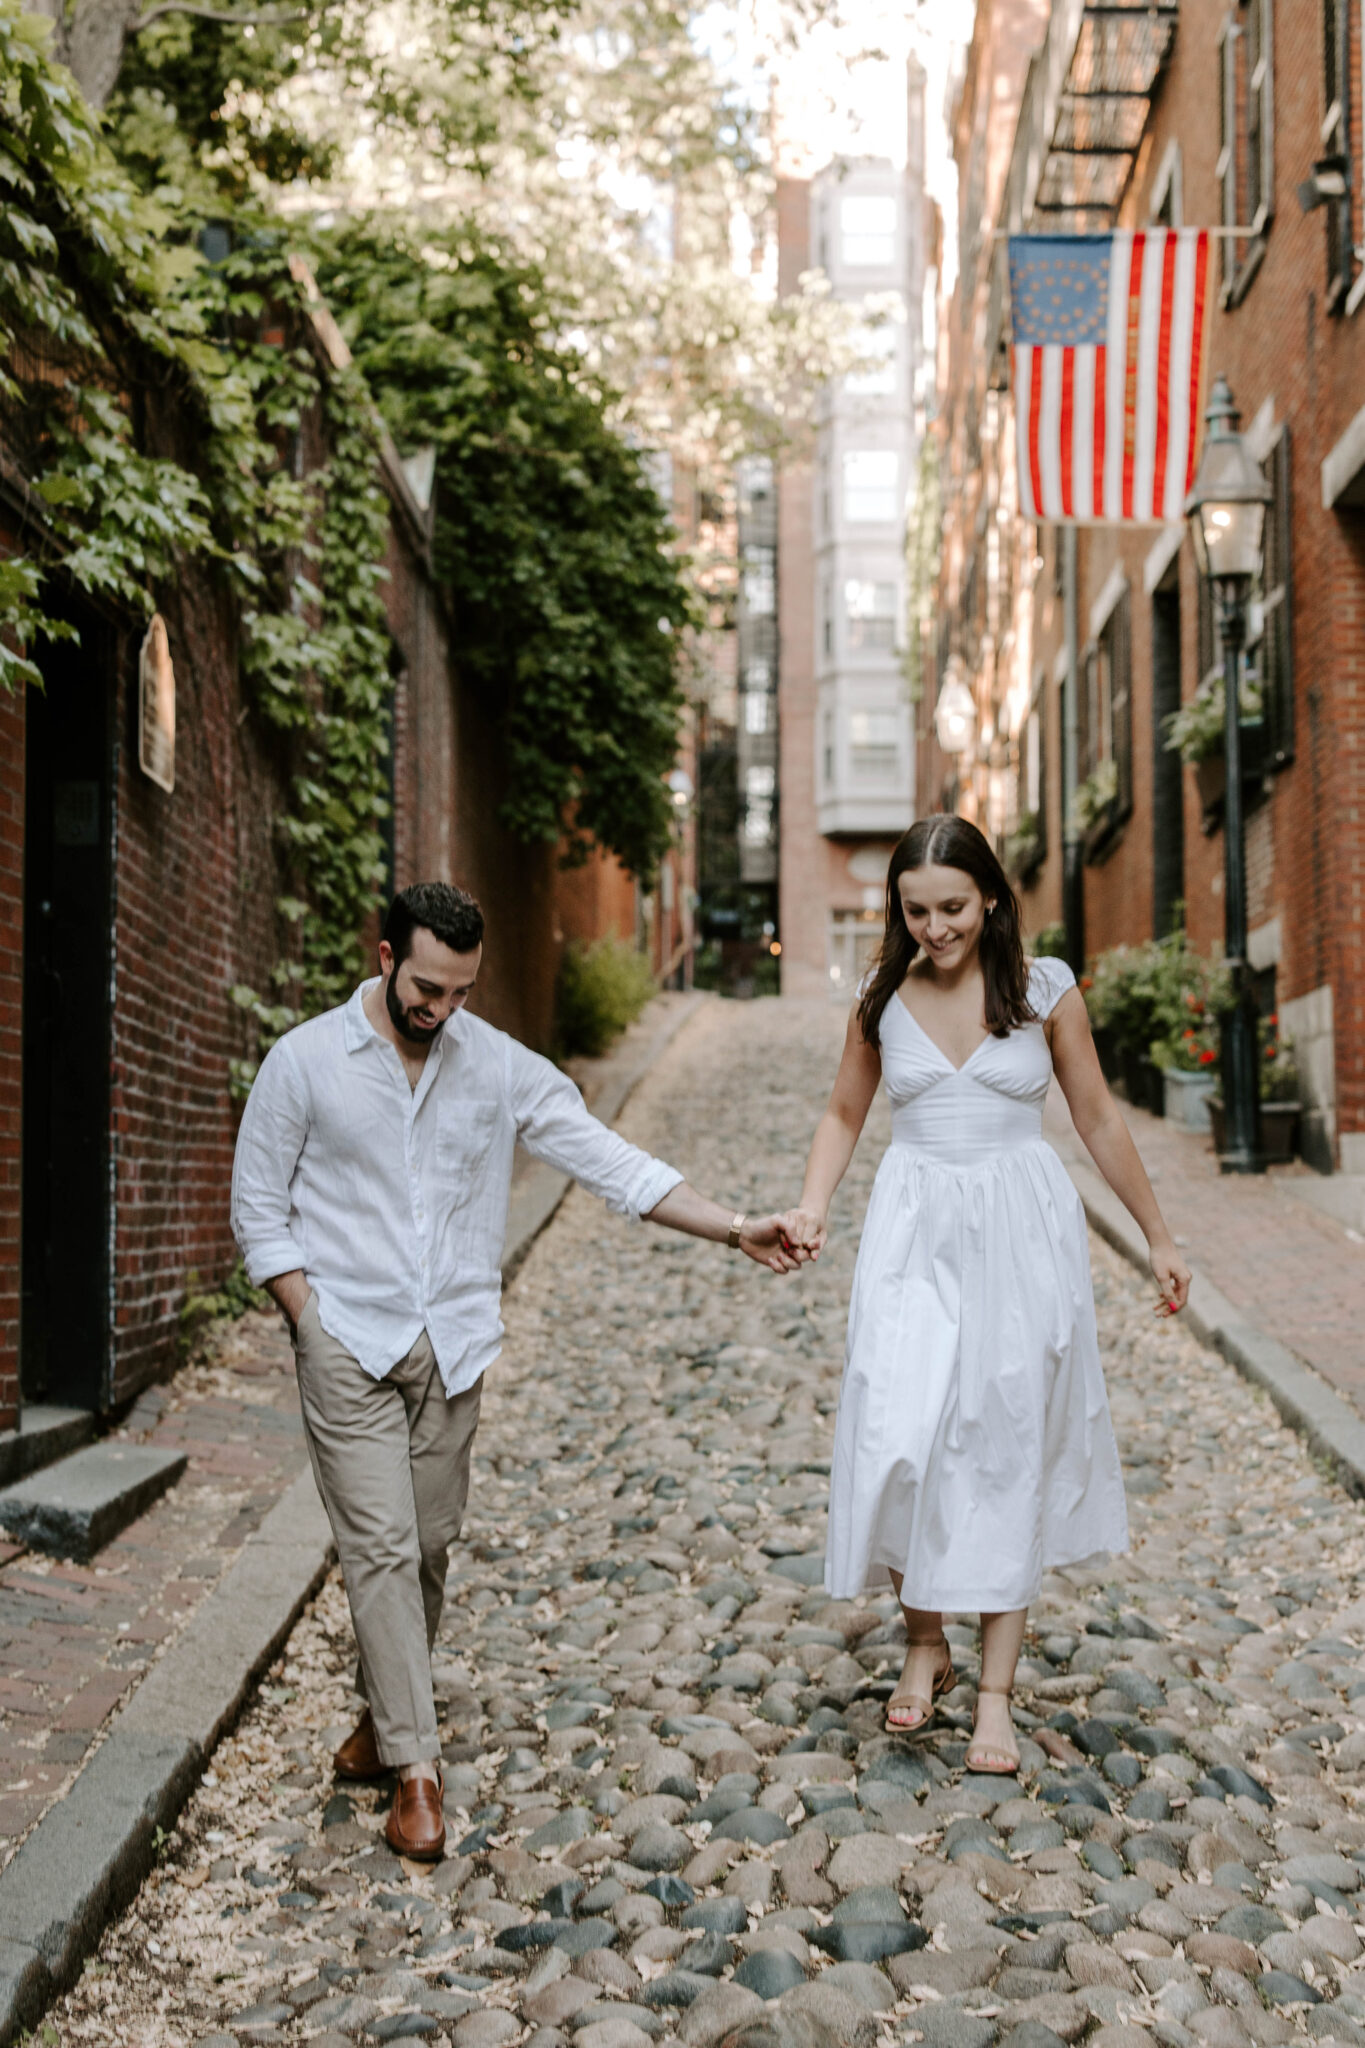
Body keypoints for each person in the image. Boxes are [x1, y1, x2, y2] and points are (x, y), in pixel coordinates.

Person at [231, 881, 801, 1858]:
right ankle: (417, 1772)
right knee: (378, 1546)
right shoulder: (306, 1062)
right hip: (348, 1342)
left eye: (459, 992)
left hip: (453, 1347)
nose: (440, 1010)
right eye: (425, 988)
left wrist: (735, 1225)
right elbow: (257, 1206)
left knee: (428, 1547)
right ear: (383, 958)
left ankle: (383, 1714)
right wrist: (308, 1317)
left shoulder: (494, 1066)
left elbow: (607, 1159)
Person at [778, 816, 1189, 1773]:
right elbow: (845, 1111)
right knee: (895, 1437)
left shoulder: (1045, 991)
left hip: (1019, 1236)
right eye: (915, 910)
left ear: (992, 899)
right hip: (912, 1231)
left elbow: (1093, 1116)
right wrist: (811, 1204)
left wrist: (1158, 1236)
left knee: (1005, 1447)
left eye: (952, 907)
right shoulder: (882, 997)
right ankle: (925, 1637)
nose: (934, 928)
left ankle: (995, 1697)